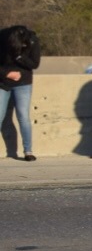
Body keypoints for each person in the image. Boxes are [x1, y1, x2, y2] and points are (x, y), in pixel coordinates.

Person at [1, 24, 42, 161]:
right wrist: (6, 74)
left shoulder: (32, 40)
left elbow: (34, 64)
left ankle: (28, 150)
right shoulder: (2, 39)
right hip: (2, 82)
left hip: (23, 83)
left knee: (23, 116)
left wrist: (19, 56)